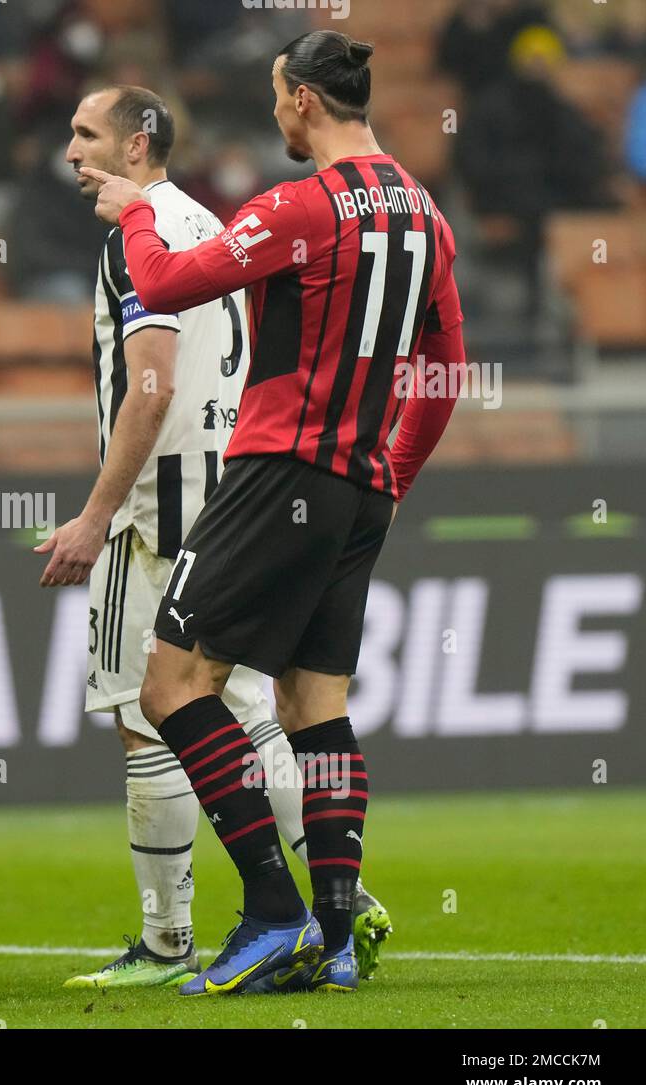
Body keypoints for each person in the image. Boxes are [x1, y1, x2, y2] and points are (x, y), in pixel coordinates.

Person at [83, 29, 464, 995]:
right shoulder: (425, 213)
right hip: (359, 485)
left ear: (299, 99)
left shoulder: (299, 208)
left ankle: (271, 909)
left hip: (279, 470)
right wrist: (388, 476)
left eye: (276, 95)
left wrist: (134, 215)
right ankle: (337, 936)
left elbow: (166, 281)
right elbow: (447, 370)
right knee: (313, 705)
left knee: (172, 685)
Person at [44, 84, 389, 990]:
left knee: (144, 717)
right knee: (244, 713)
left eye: (87, 135)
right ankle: (338, 899)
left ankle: (168, 944)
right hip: (239, 491)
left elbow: (149, 387)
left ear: (138, 142)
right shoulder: (209, 217)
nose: (70, 152)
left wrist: (96, 513)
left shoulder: (141, 231)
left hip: (158, 505)